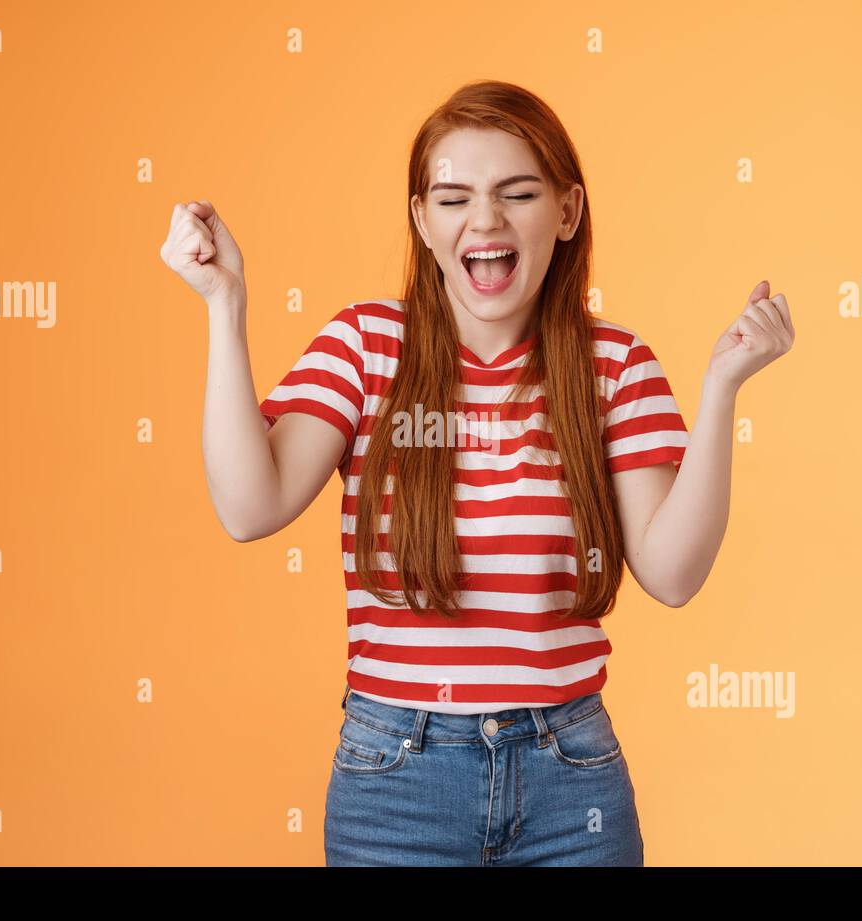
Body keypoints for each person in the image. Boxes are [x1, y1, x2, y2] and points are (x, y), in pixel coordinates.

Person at [159, 79, 794, 866]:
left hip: (572, 776)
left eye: (517, 193)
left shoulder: (615, 366)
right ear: (424, 221)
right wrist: (225, 304)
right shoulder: (366, 346)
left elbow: (673, 573)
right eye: (454, 199)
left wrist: (722, 387)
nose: (485, 220)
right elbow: (249, 508)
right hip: (395, 776)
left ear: (566, 213)